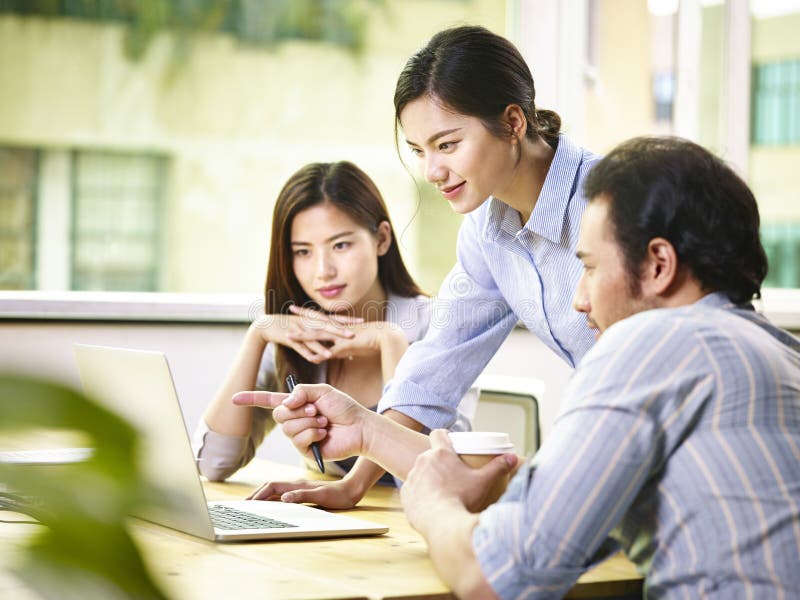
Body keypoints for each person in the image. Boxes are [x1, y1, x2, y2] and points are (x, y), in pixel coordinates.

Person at [238, 137, 800, 598]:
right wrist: (367, 431)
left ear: (658, 265)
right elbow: (564, 499)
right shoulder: (773, 353)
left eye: (588, 268)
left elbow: (496, 576)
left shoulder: (651, 344)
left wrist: (433, 507)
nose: (578, 301)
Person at [244, 24, 599, 507]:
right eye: (418, 151)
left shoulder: (610, 201)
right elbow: (433, 370)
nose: (431, 171)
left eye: (447, 145)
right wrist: (352, 485)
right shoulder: (486, 232)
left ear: (514, 122)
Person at [193, 161, 429, 482]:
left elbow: (432, 474)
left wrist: (390, 341)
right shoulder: (296, 336)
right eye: (303, 252)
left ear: (382, 239)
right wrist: (258, 335)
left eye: (340, 245)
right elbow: (212, 464)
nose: (323, 271)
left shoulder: (433, 327)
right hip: (338, 522)